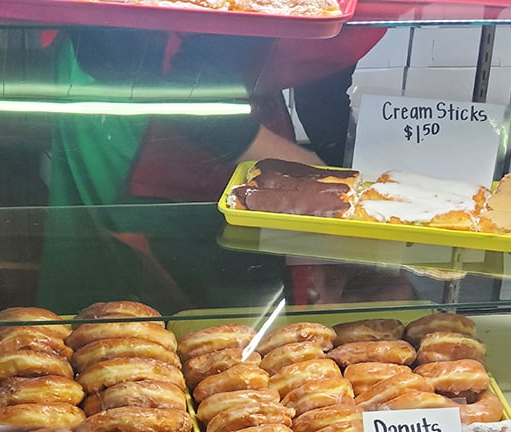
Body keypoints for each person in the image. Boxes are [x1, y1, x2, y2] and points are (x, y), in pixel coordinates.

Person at [36, 25, 399, 311]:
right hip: (128, 79)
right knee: (119, 283)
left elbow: (324, 81)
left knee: (229, 279)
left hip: (231, 87)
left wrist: (341, 183)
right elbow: (193, 95)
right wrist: (323, 180)